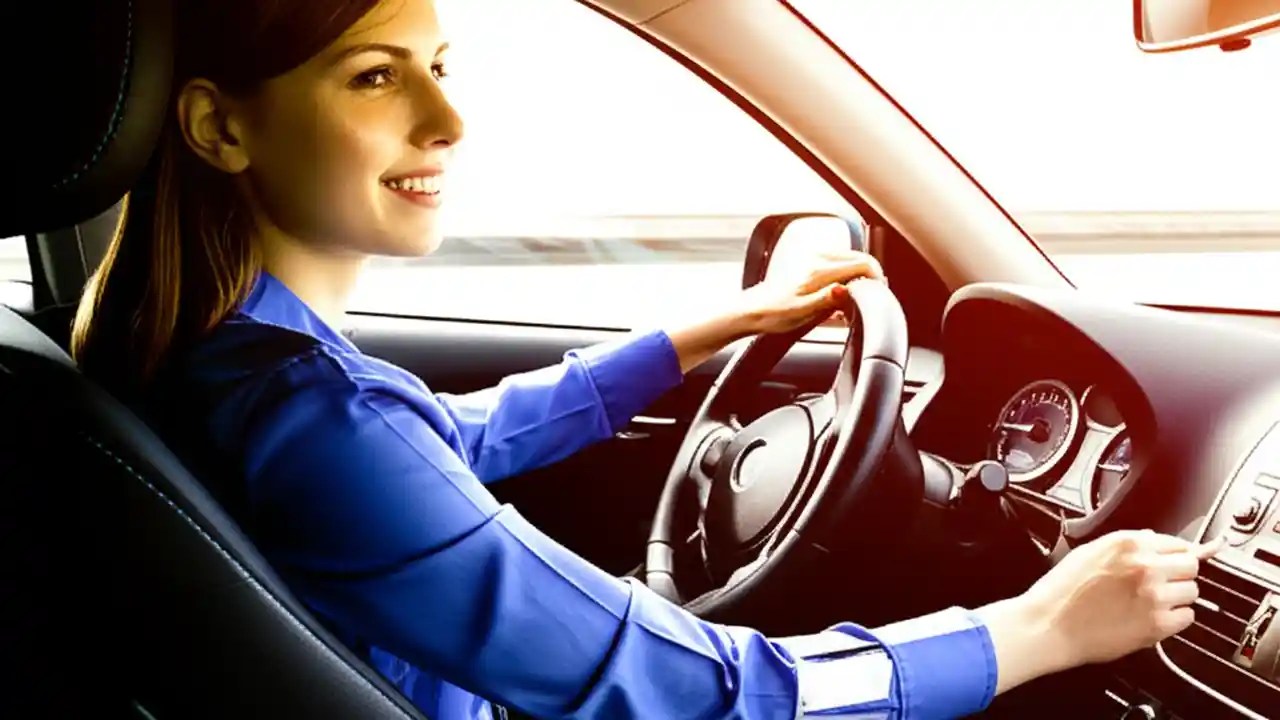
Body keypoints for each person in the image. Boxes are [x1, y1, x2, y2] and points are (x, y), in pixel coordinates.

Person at [71, 0, 1224, 718]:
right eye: (374, 74)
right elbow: (692, 692)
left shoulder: (224, 362)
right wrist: (1036, 630)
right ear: (222, 127)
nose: (447, 120)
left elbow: (455, 437)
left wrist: (704, 333)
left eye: (440, 63)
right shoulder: (315, 419)